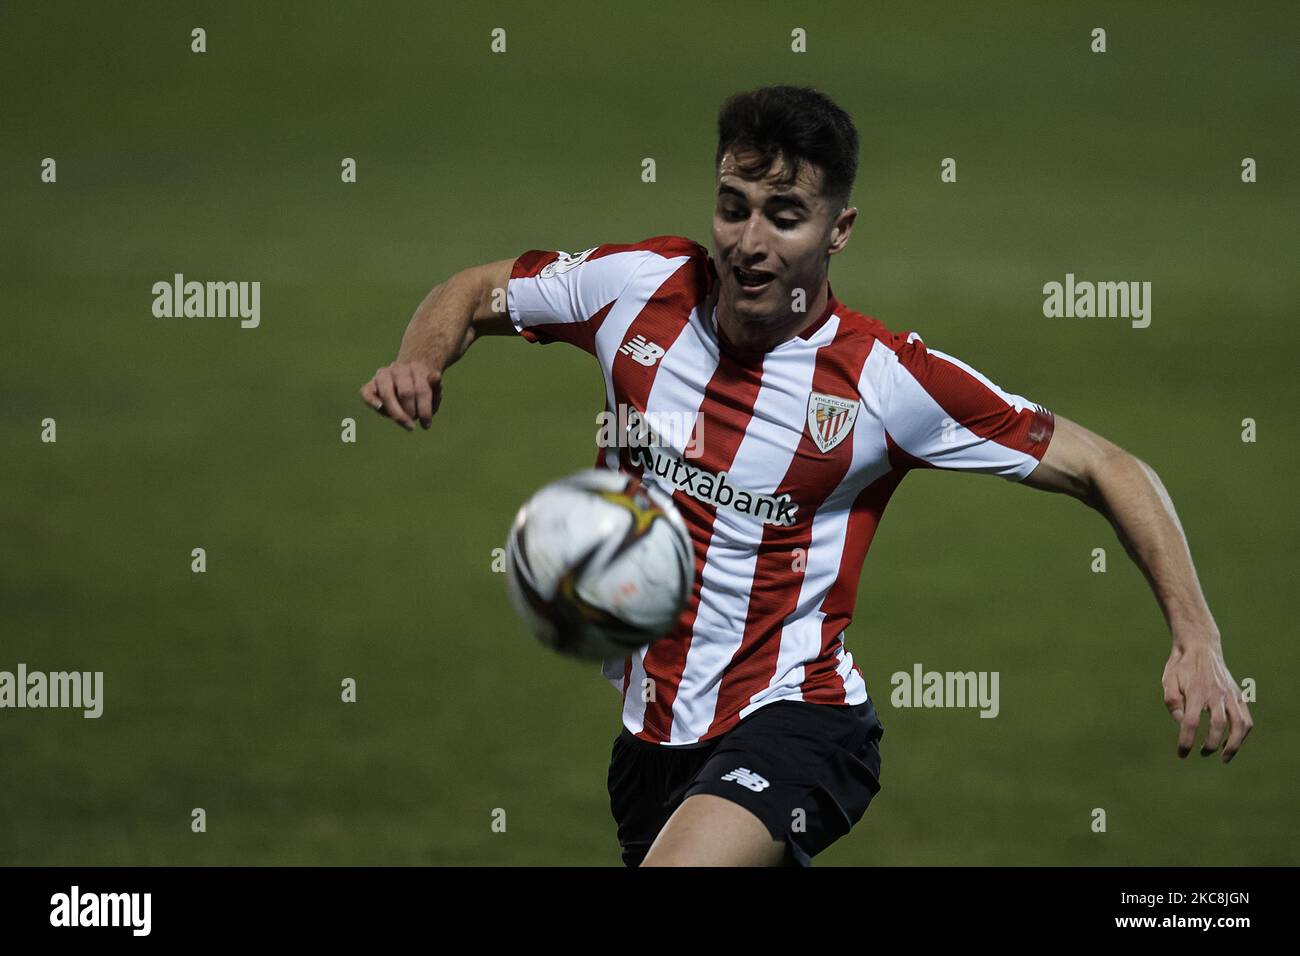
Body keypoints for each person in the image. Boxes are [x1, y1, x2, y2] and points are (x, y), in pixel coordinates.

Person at [359, 85, 1252, 867]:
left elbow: (1109, 467)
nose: (749, 242)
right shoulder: (639, 287)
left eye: (784, 215)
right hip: (653, 742)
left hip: (802, 722)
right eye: (732, 205)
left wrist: (1196, 635)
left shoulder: (884, 381)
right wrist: (419, 358)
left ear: (838, 230)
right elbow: (479, 290)